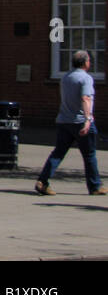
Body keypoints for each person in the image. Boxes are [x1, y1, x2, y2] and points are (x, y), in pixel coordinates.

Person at [35, 49, 104, 196]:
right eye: (89, 60)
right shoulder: (86, 78)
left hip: (64, 121)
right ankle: (95, 186)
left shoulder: (65, 77)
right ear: (85, 62)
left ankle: (43, 180)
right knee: (89, 155)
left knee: (58, 153)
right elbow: (86, 98)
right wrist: (87, 120)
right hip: (80, 121)